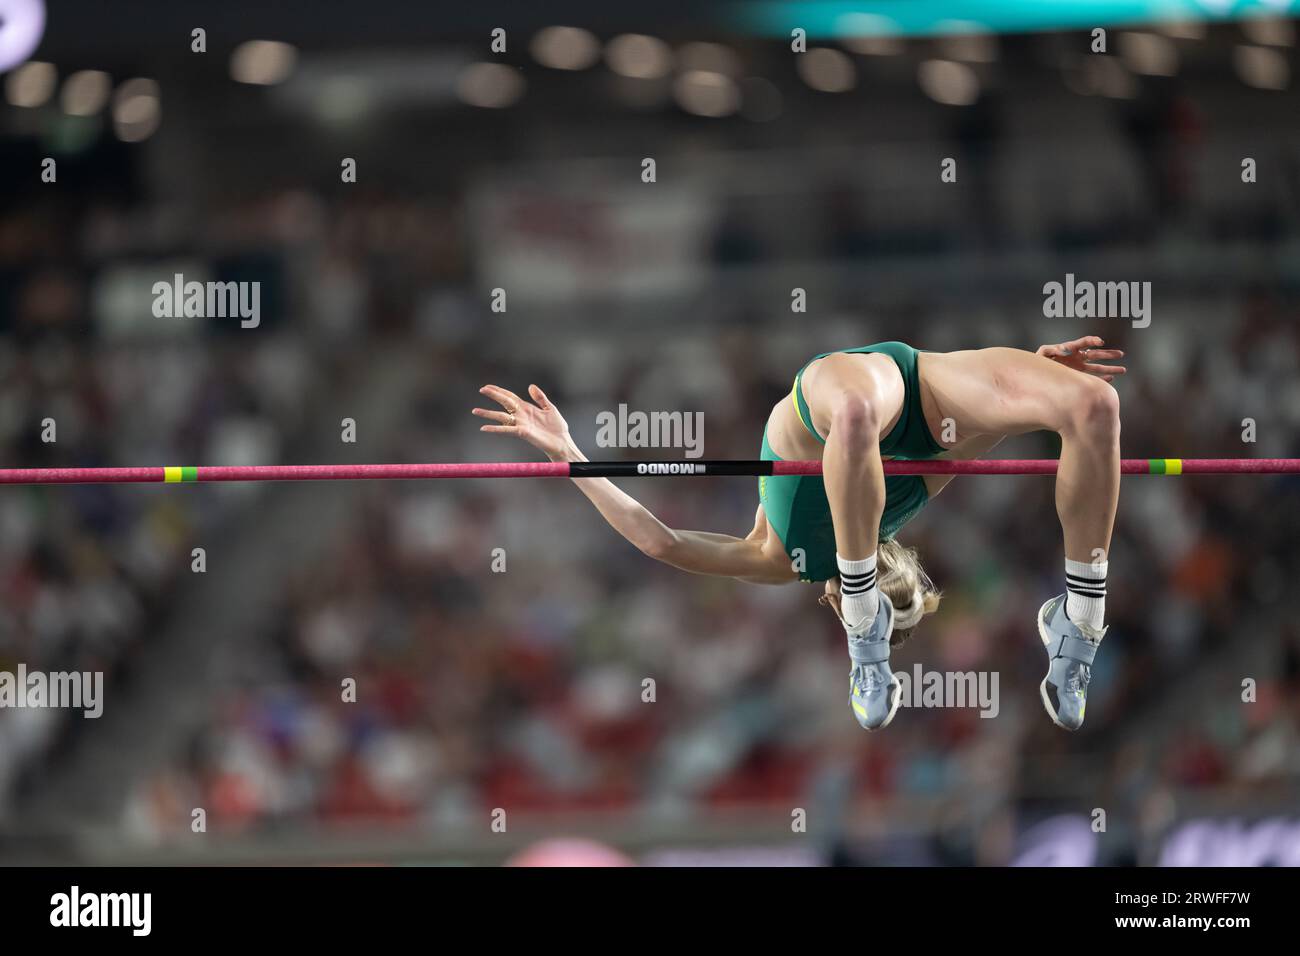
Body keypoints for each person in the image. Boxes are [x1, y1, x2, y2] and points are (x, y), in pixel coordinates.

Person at [473, 335, 1125, 733]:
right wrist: (1041, 384)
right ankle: (1081, 616)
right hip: (918, 387)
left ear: (832, 602)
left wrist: (571, 457)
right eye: (899, 603)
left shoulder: (785, 558)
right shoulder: (924, 488)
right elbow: (1001, 419)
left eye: (875, 606)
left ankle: (1059, 624)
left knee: (859, 415)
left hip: (844, 403)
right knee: (1087, 403)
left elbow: (660, 541)